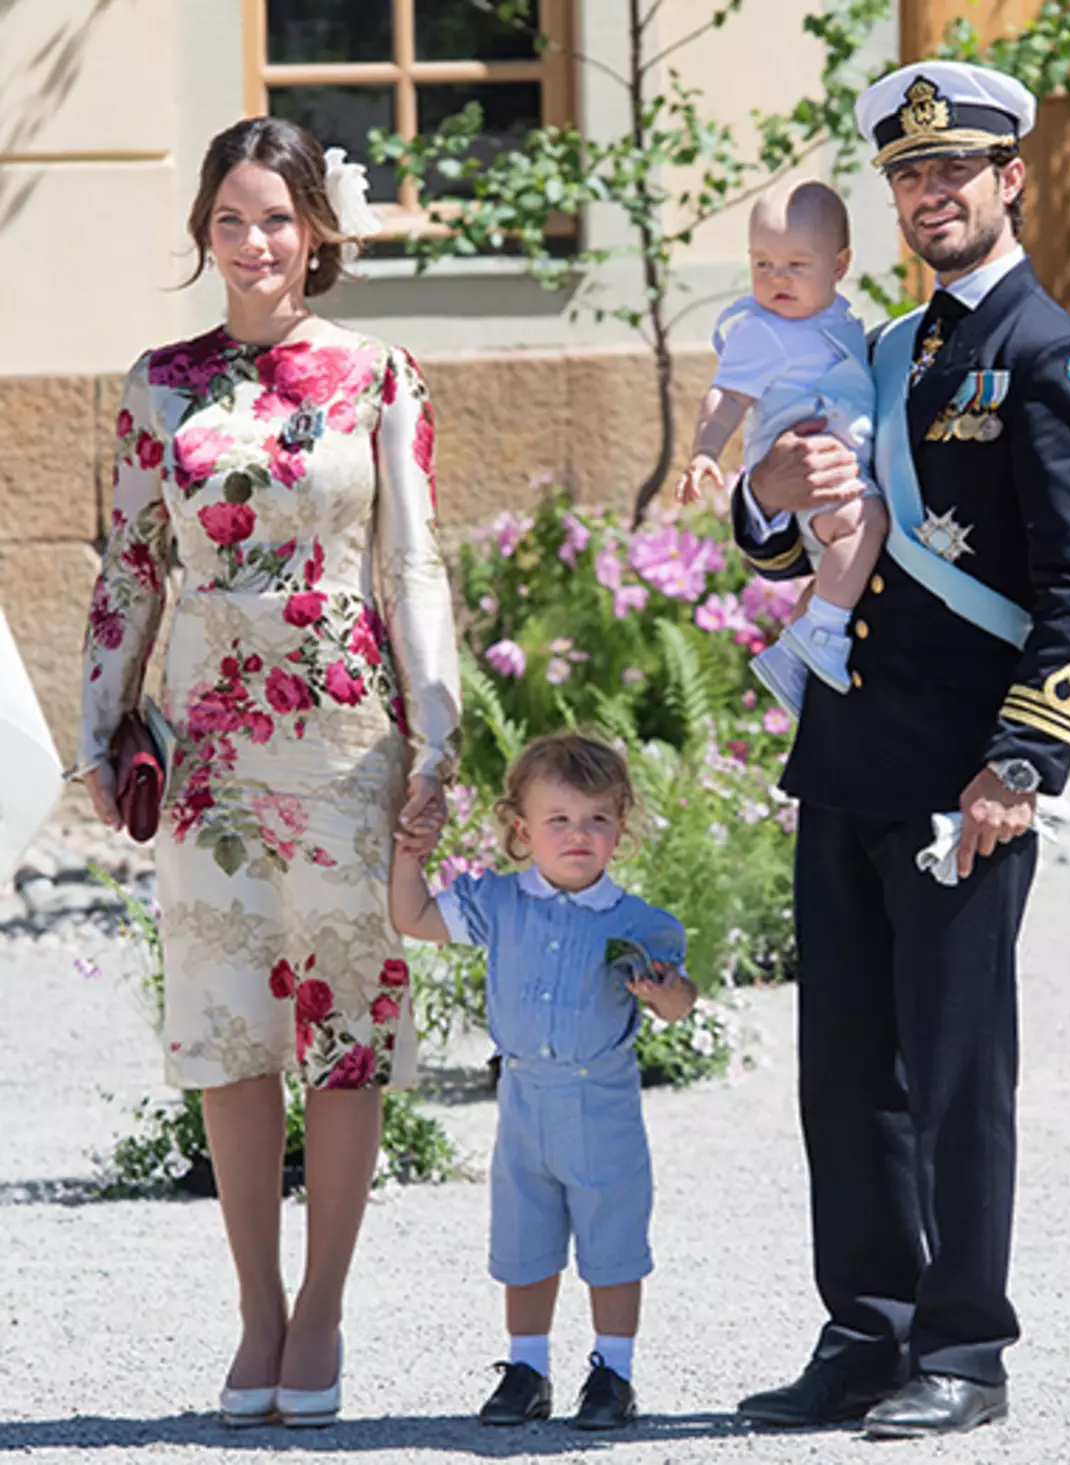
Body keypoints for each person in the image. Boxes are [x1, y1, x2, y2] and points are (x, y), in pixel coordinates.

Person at [732, 62, 1070, 1438]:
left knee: (954, 1068)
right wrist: (768, 503)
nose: (931, 193)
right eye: (909, 175)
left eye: (955, 169)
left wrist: (1019, 766)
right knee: (843, 1071)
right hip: (848, 757)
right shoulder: (890, 351)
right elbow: (806, 520)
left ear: (1009, 177)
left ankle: (964, 1343)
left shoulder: (1048, 353)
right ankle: (867, 1326)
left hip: (962, 774)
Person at [73, 117, 461, 1428]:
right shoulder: (158, 382)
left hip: (349, 739)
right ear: (205, 233)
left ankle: (324, 1314)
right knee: (231, 1030)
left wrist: (444, 725)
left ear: (319, 232)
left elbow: (412, 561)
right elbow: (128, 564)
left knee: (345, 1031)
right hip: (207, 751)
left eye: (277, 219)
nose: (254, 243)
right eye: (231, 219)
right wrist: (100, 730)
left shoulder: (376, 373)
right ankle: (254, 1311)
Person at [389, 732, 695, 1430]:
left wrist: (663, 989)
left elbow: (682, 1002)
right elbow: (413, 917)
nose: (578, 834)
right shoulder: (499, 902)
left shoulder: (640, 923)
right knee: (524, 1237)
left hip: (602, 1104)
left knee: (612, 1238)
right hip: (523, 1100)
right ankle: (526, 1368)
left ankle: (613, 1373)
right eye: (558, 819)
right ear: (522, 830)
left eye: (597, 819)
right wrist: (409, 857)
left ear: (621, 827)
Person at [676, 180, 885, 711]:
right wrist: (705, 451)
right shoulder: (761, 330)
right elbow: (725, 396)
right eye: (762, 263)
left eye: (796, 264)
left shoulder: (840, 321)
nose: (777, 279)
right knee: (867, 526)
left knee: (841, 567)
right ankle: (820, 634)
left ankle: (798, 651)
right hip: (809, 481)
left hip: (843, 474)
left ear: (839, 267)